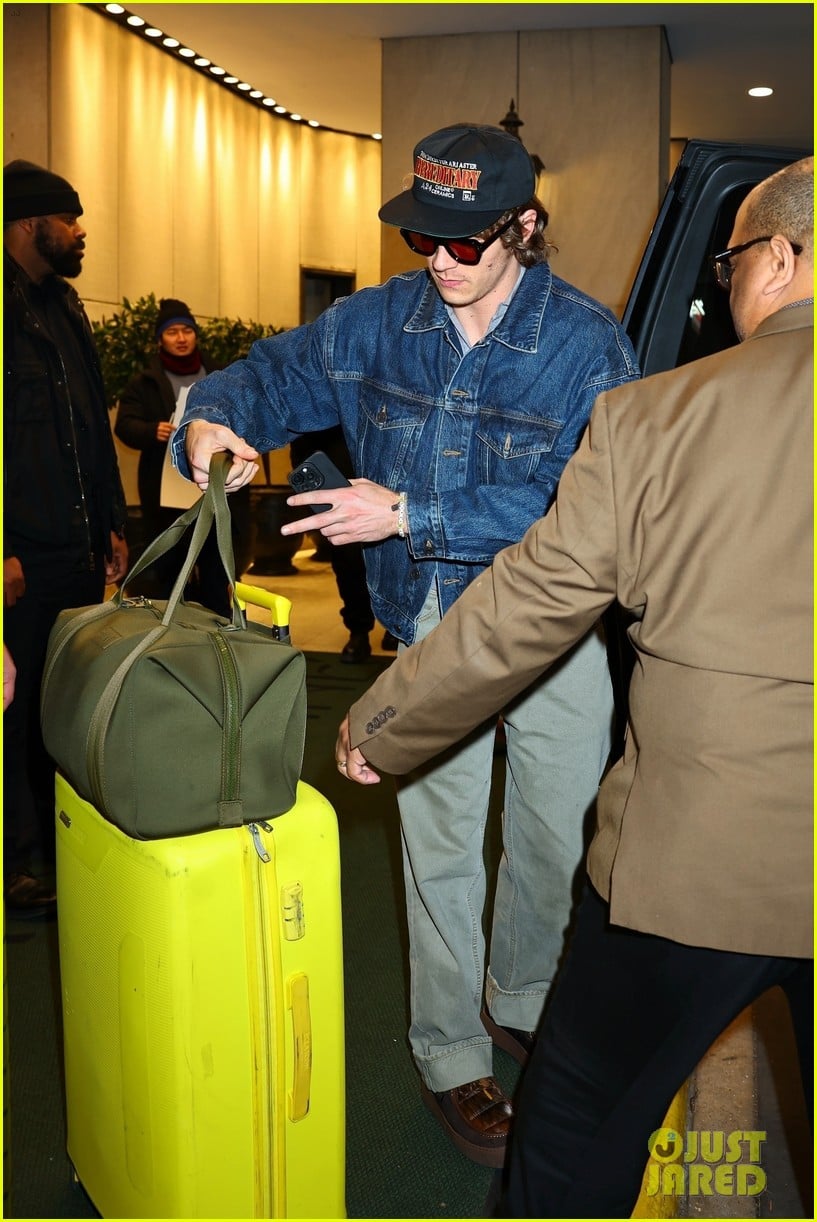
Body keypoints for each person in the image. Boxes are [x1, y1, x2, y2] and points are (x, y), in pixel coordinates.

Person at [335, 156, 814, 1216]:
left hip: (696, 864)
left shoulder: (655, 414)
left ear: (780, 259)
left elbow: (531, 600)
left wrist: (386, 717)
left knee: (572, 1139)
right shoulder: (387, 325)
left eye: (733, 260)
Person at [173, 123, 639, 1164]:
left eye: (465, 241)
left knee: (558, 836)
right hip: (435, 624)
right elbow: (264, 377)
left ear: (524, 226)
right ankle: (447, 1053)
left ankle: (519, 995)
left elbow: (587, 503)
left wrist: (410, 512)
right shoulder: (377, 323)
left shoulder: (586, 343)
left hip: (556, 619)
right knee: (439, 846)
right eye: (423, 235)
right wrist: (209, 425)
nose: (438, 260)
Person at [3, 159, 128, 914]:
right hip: (18, 558)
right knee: (14, 715)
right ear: (28, 225)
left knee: (63, 709)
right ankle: (14, 864)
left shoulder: (67, 307)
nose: (80, 232)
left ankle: (56, 852)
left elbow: (90, 422)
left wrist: (115, 520)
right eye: (69, 219)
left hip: (77, 548)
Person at [115, 298, 248, 618]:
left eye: (187, 331)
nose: (181, 338)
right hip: (165, 493)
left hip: (213, 487)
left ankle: (218, 632)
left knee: (217, 567)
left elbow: (244, 413)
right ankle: (174, 631)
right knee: (169, 566)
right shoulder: (145, 380)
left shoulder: (219, 373)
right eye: (172, 332)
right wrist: (151, 431)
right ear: (160, 338)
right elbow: (124, 425)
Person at [289, 426, 378, 662]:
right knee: (346, 553)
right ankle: (358, 630)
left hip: (372, 447)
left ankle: (393, 624)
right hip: (322, 451)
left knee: (392, 547)